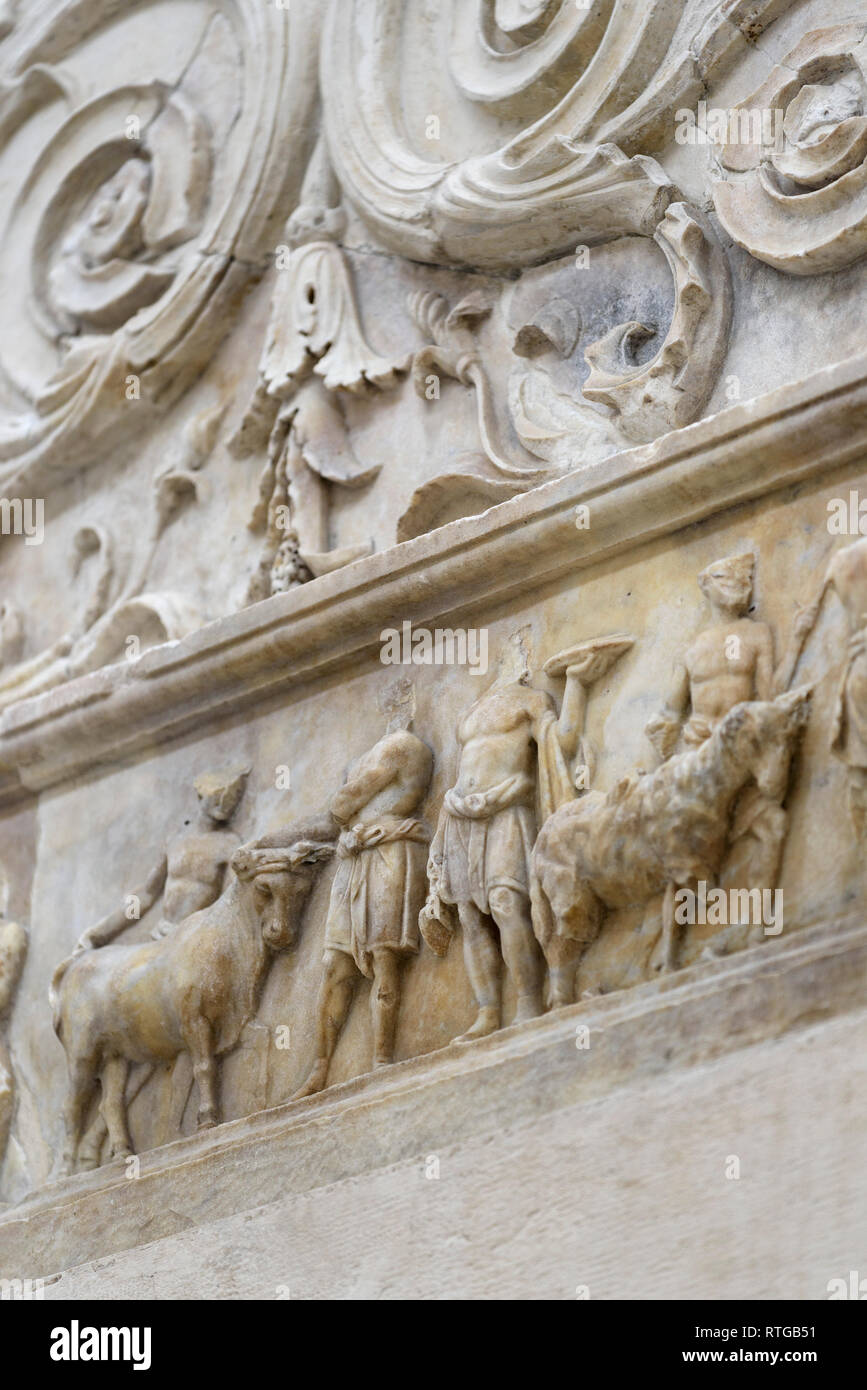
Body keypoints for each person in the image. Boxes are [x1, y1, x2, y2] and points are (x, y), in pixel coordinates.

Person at [293, 681, 433, 1097]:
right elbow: (343, 811)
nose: (389, 700)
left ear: (407, 702)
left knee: (384, 956)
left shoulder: (401, 747)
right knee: (337, 966)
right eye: (386, 693)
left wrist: (349, 819)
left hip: (388, 855)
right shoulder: (370, 754)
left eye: (398, 694)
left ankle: (381, 1059)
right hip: (355, 860)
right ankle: (320, 1068)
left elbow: (343, 803)